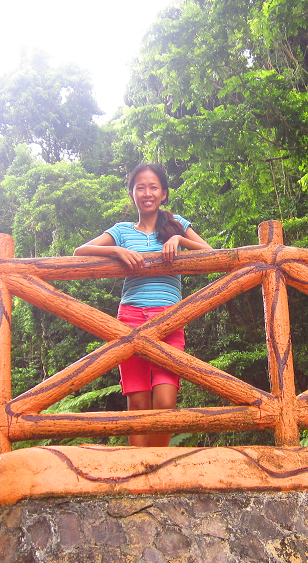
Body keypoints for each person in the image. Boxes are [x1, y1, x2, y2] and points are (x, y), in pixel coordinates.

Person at [74, 162, 212, 447]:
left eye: (153, 187)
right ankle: (137, 473)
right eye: (140, 187)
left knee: (165, 400)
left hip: (169, 320)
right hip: (130, 319)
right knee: (137, 402)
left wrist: (178, 238)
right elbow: (80, 251)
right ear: (132, 194)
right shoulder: (123, 231)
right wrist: (116, 250)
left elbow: (213, 253)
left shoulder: (178, 225)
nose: (147, 193)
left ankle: (157, 464)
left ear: (163, 193)